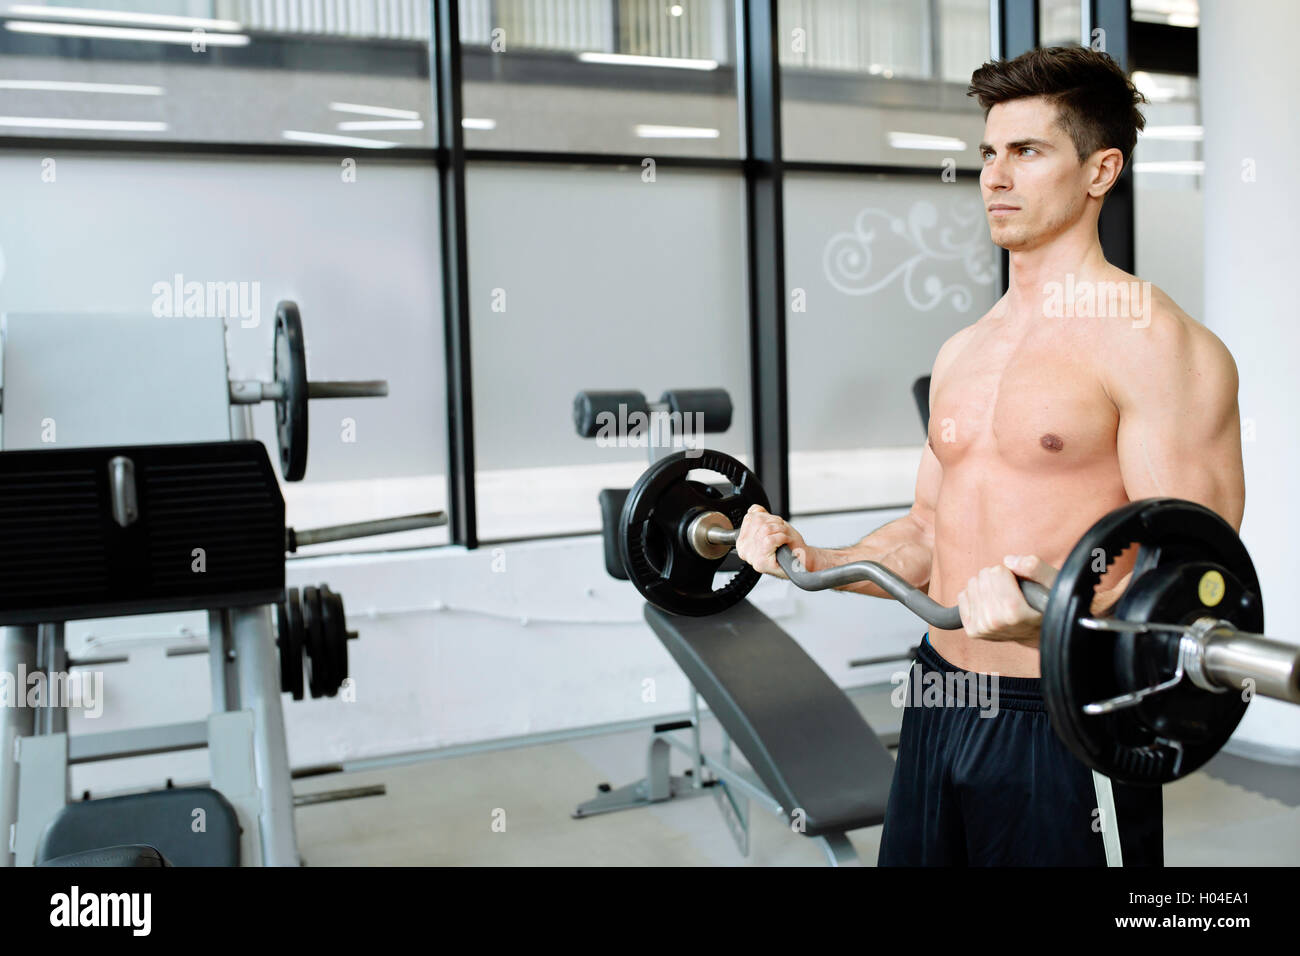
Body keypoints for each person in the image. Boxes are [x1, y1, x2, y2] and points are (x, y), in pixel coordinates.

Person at [736, 46, 1244, 866]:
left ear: (1100, 170)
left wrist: (1052, 618)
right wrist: (820, 555)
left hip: (1068, 718)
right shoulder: (964, 351)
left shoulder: (1156, 344)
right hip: (941, 694)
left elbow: (1187, 588)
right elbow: (929, 531)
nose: (994, 177)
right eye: (987, 154)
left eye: (1028, 152)